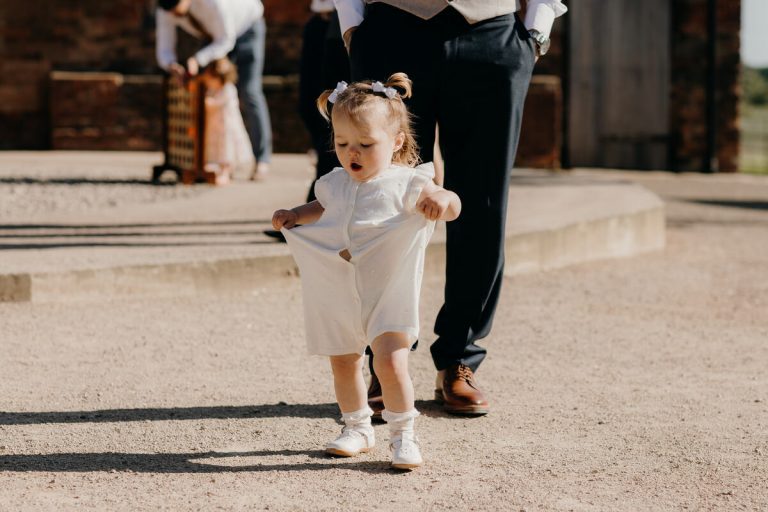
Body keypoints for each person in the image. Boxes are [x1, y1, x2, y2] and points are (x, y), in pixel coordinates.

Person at [333, 0, 568, 416]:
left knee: (483, 203)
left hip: (491, 34)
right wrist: (353, 28)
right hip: (391, 30)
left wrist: (535, 34)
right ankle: (386, 360)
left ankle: (460, 354)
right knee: (383, 201)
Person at [272, 74, 461, 469]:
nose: (351, 153)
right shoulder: (335, 182)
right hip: (341, 290)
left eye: (365, 145)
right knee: (344, 362)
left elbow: (450, 202)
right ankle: (357, 426)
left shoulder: (407, 182)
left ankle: (403, 435)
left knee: (390, 362)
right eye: (341, 144)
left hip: (387, 290)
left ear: (395, 142)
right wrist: (295, 215)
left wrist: (443, 199)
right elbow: (321, 208)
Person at [263, 0, 350, 242]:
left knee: (332, 125)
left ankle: (315, 216)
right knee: (311, 110)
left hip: (342, 24)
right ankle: (314, 214)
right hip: (321, 22)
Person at [156, 0, 272, 180]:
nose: (175, 16)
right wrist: (172, 66)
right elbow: (164, 48)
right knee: (205, 93)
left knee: (249, 92)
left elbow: (226, 40)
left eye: (177, 10)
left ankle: (262, 160)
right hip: (213, 36)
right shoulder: (166, 11)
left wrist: (197, 60)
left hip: (247, 28)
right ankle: (210, 160)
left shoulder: (213, 3)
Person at [200, 58, 255, 184]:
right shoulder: (213, 90)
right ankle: (216, 169)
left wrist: (208, 103)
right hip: (215, 126)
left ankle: (226, 172)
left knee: (226, 150)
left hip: (226, 127)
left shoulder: (228, 89)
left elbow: (217, 104)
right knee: (215, 149)